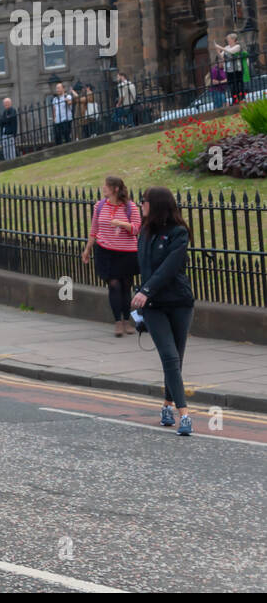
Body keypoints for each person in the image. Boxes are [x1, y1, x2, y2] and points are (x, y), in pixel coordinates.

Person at [132, 187, 196, 436]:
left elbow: (169, 268)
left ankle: (167, 405)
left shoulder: (178, 233)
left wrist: (145, 290)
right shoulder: (144, 232)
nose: (141, 205)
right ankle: (185, 414)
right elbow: (139, 265)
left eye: (144, 201)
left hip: (179, 302)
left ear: (156, 204)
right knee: (169, 358)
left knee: (175, 360)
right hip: (154, 306)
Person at [80, 176, 141, 337]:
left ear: (115, 189)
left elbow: (136, 229)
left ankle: (127, 320)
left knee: (126, 286)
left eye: (106, 186)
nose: (103, 188)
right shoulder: (99, 206)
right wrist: (87, 250)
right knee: (113, 285)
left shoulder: (130, 207)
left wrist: (122, 224)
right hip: (106, 252)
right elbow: (94, 230)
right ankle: (117, 322)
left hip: (127, 252)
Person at [213, 32, 247, 103]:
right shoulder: (226, 47)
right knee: (232, 86)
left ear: (233, 39)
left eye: (228, 39)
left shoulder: (238, 46)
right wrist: (217, 50)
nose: (227, 40)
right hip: (229, 70)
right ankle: (234, 100)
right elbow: (221, 57)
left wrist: (220, 47)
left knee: (239, 84)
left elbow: (231, 52)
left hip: (237, 69)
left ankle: (241, 98)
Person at [0, 98, 18, 162]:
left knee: (11, 150)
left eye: (7, 103)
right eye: (5, 104)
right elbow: (0, 122)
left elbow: (10, 119)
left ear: (10, 103)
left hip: (10, 133)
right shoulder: (4, 112)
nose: (6, 105)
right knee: (5, 150)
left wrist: (5, 120)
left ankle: (13, 161)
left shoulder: (12, 110)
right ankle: (7, 162)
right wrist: (5, 119)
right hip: (4, 134)